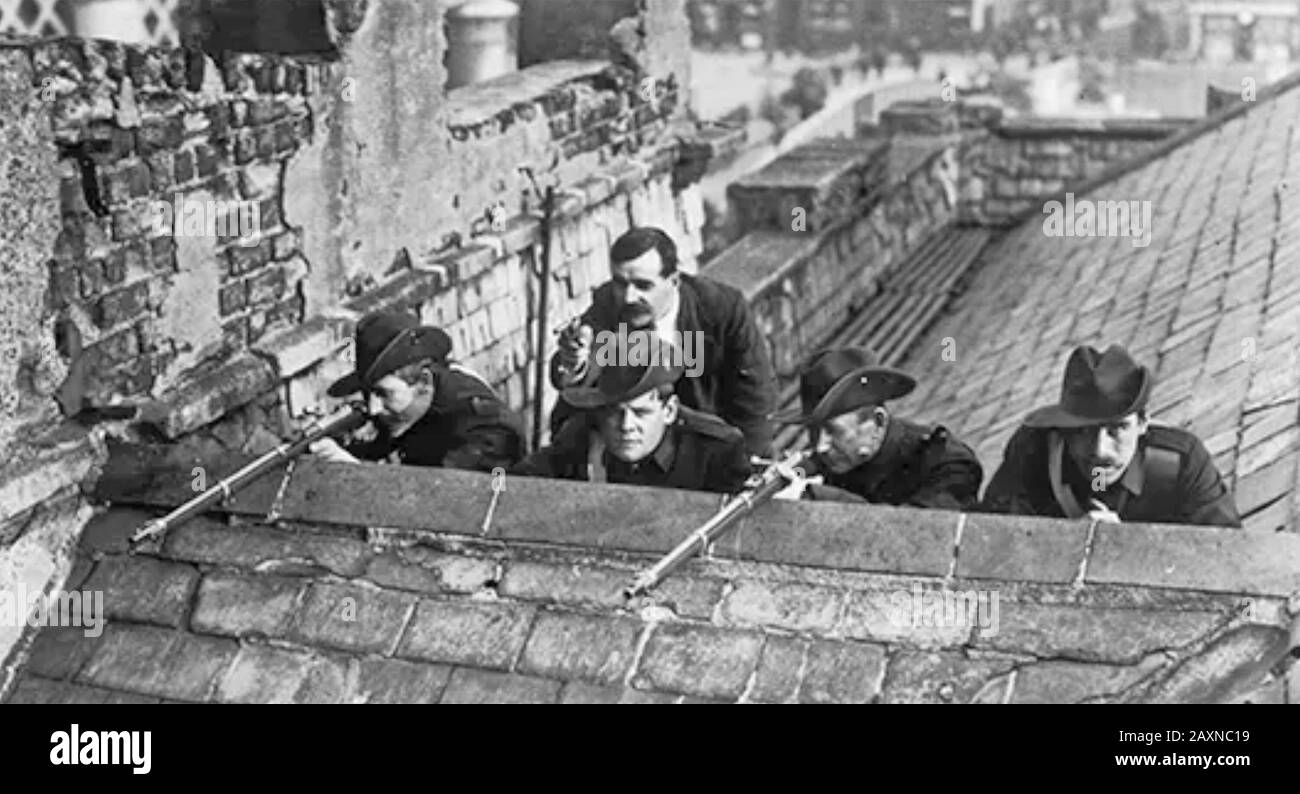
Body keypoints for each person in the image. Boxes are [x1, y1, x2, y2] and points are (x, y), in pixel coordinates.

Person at [551, 226, 777, 456]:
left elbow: (754, 400)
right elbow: (583, 367)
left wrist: (747, 465)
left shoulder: (722, 310)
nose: (629, 297)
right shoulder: (608, 307)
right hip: (635, 447)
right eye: (620, 283)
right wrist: (575, 363)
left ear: (674, 281)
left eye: (643, 285)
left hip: (710, 447)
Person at [981, 344, 1241, 527]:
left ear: (1142, 424)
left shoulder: (1181, 463)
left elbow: (1226, 559)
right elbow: (988, 541)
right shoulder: (1034, 452)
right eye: (1082, 431)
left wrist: (1124, 550)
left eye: (1117, 429)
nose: (1099, 450)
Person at [516, 335, 752, 495]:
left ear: (668, 411)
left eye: (641, 413)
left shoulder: (716, 450)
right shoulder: (581, 438)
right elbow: (513, 481)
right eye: (614, 413)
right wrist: (490, 478)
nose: (626, 426)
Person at [310, 311, 524, 471]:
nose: (374, 409)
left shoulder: (485, 429)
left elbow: (444, 506)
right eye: (368, 394)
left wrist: (356, 473)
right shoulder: (405, 408)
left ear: (423, 383)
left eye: (384, 394)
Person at [774, 347, 983, 509]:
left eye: (833, 431)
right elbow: (802, 468)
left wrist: (813, 496)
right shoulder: (831, 457)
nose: (819, 446)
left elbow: (914, 536)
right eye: (813, 431)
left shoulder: (948, 465)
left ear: (878, 422)